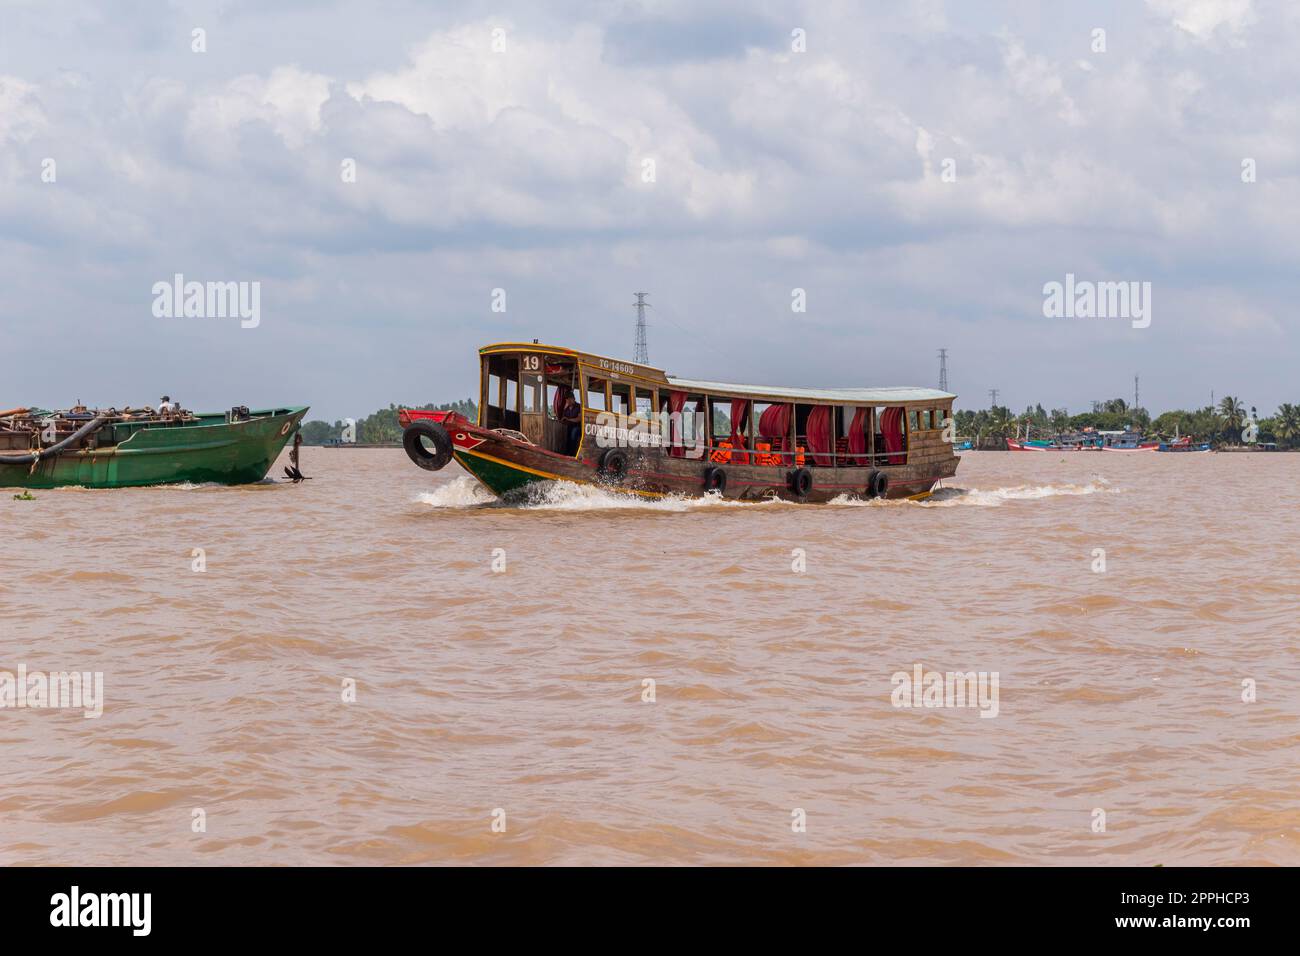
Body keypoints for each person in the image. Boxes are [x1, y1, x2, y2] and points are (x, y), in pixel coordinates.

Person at [561, 390, 582, 455]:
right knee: (566, 432)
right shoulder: (566, 409)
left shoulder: (579, 406)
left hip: (579, 427)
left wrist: (568, 419)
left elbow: (579, 419)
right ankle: (566, 452)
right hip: (569, 426)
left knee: (574, 432)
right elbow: (564, 418)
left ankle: (572, 454)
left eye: (570, 399)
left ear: (574, 399)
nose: (569, 401)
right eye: (567, 400)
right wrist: (563, 420)